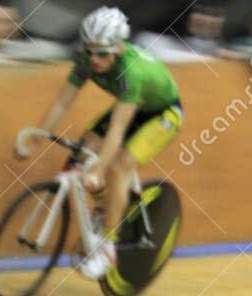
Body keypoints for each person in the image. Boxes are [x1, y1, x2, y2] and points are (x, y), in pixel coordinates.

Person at [15, 7, 184, 280]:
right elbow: (62, 103)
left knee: (118, 166)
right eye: (89, 50)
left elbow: (118, 128)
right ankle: (106, 206)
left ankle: (107, 248)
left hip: (163, 113)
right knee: (84, 150)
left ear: (118, 48)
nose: (94, 59)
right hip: (133, 105)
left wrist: (98, 170)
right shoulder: (86, 59)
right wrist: (36, 138)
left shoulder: (133, 71)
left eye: (102, 53)